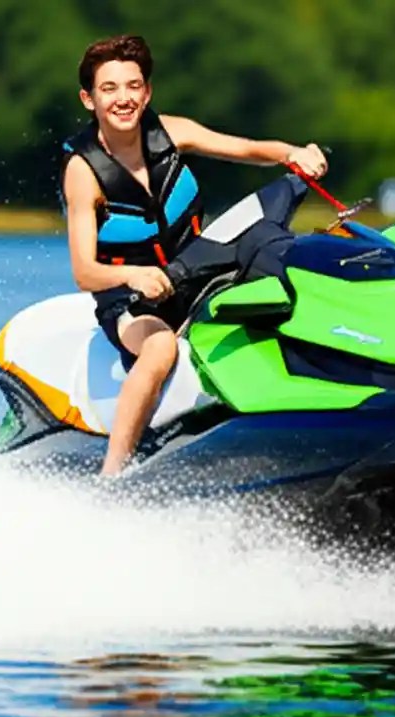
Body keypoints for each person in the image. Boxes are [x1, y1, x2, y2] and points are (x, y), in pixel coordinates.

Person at [61, 34, 328, 476]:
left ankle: (315, 400)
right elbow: (83, 272)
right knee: (161, 345)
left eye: (133, 86)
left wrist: (292, 154)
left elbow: (246, 149)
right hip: (129, 300)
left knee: (274, 256)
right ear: (88, 100)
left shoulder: (172, 132)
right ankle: (112, 477)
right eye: (109, 89)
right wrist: (133, 276)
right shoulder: (83, 173)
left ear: (146, 92)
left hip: (196, 273)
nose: (123, 99)